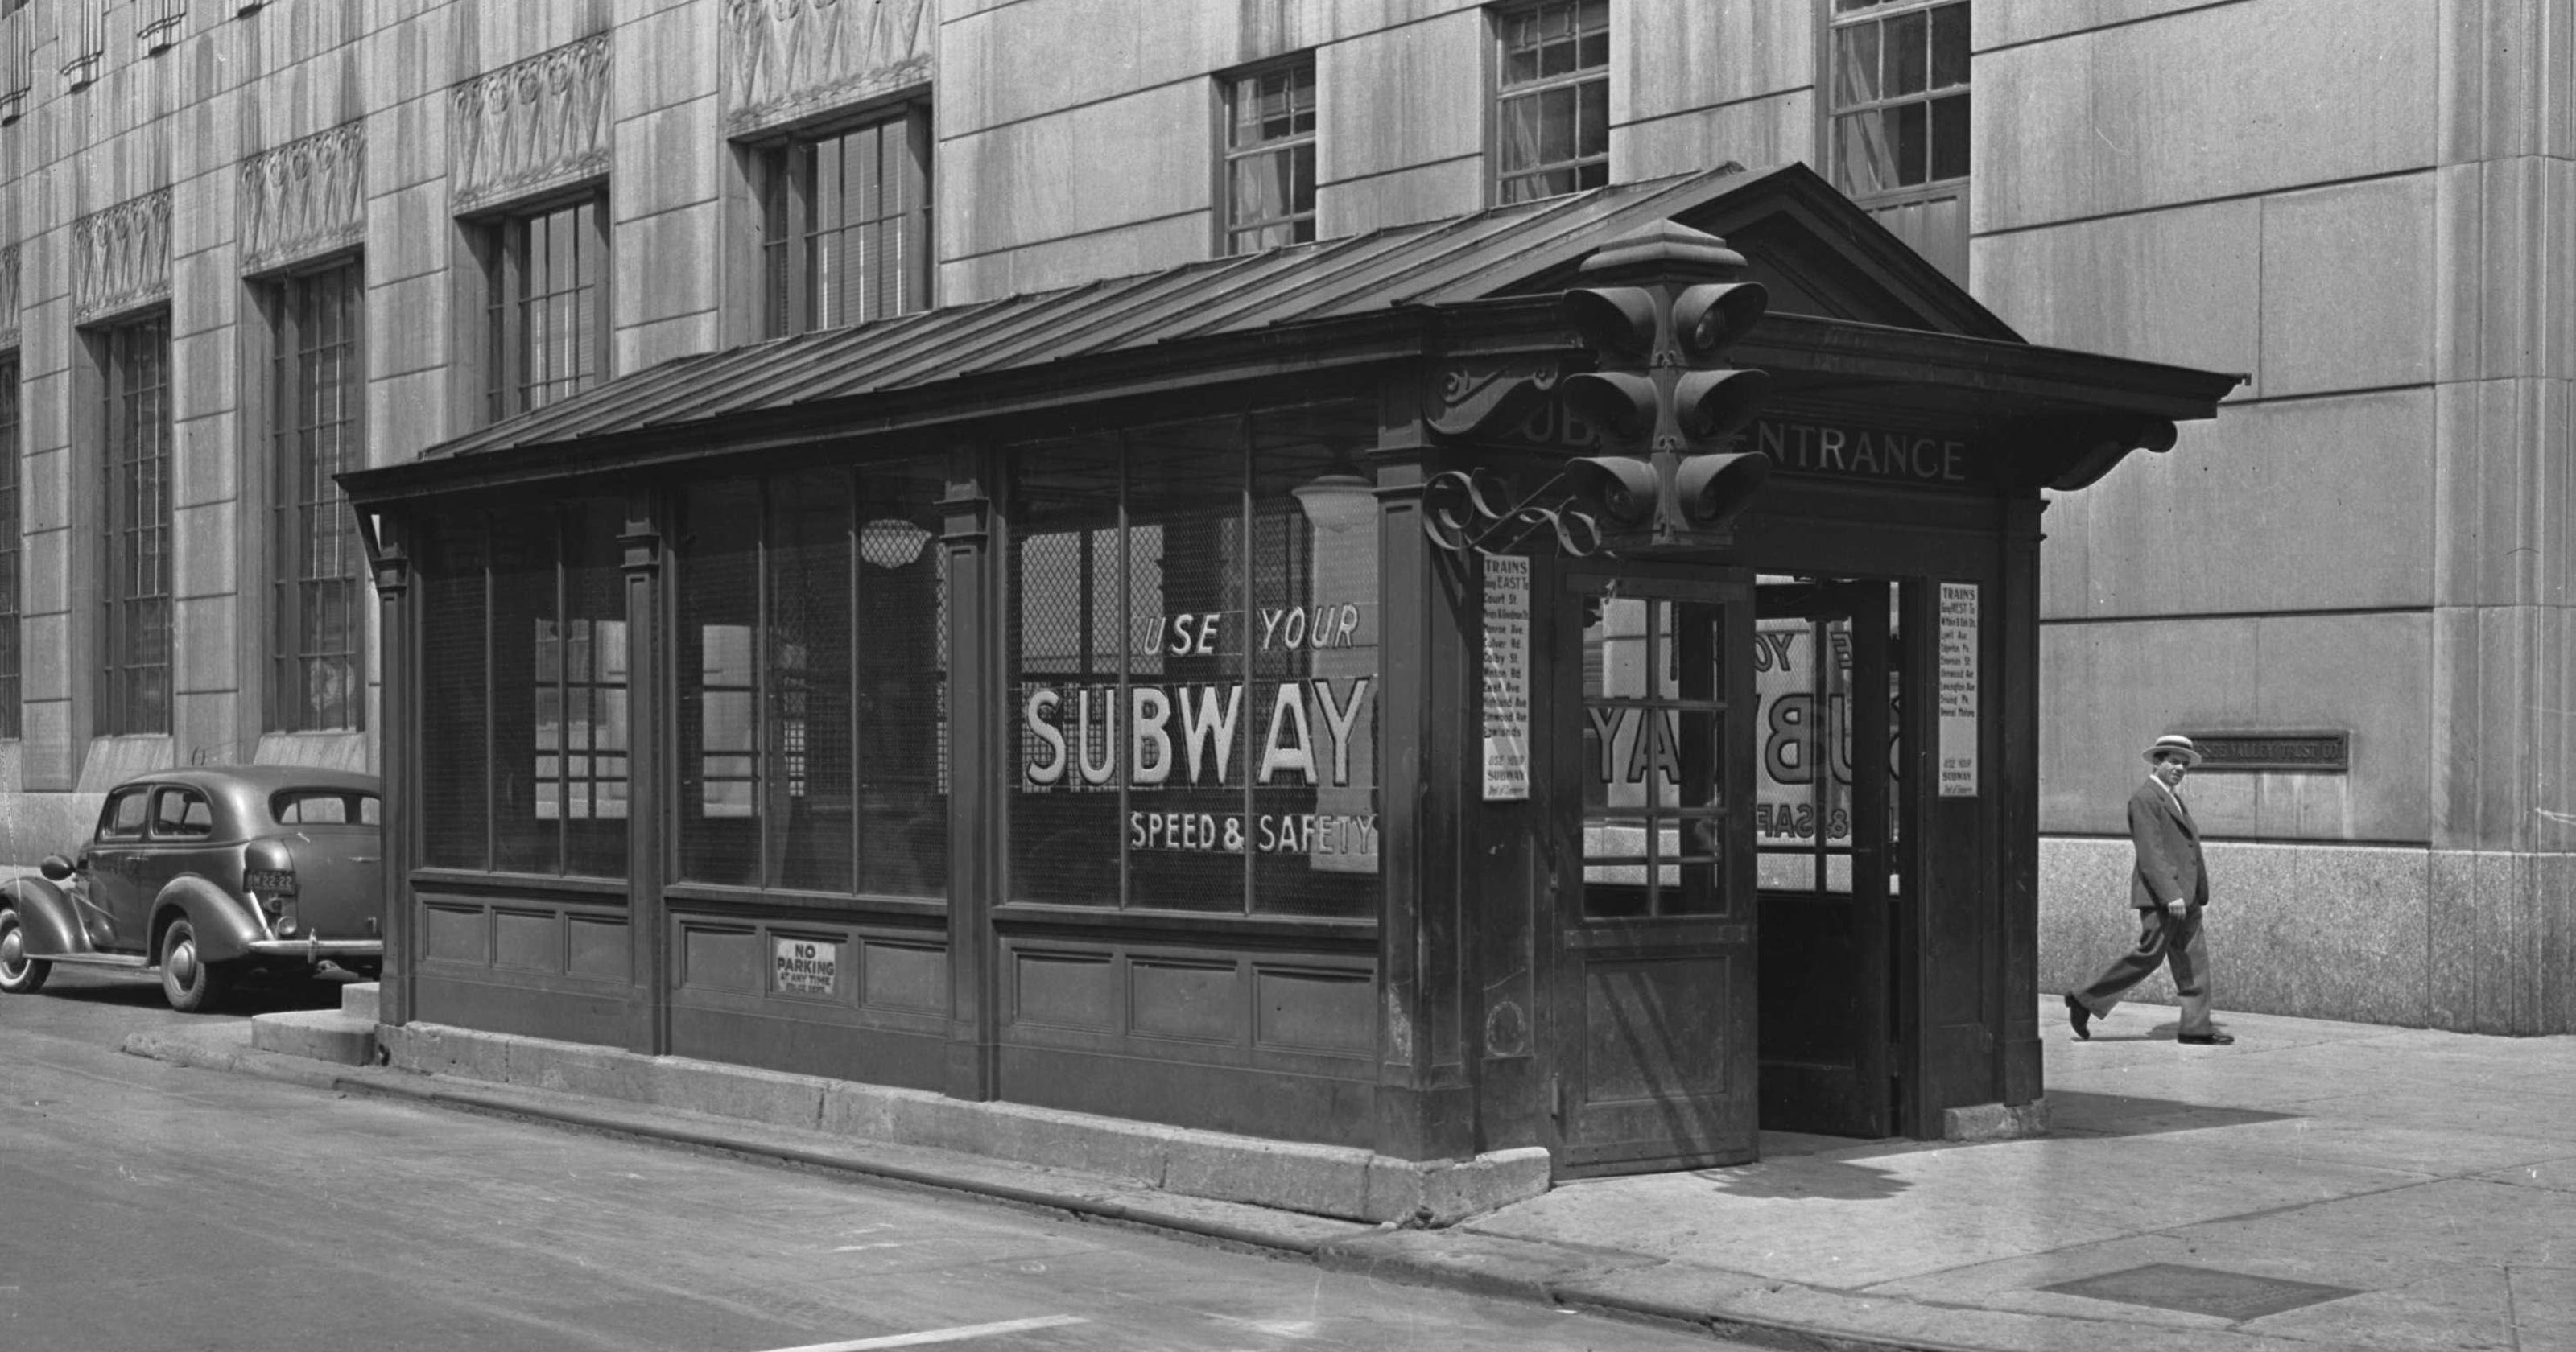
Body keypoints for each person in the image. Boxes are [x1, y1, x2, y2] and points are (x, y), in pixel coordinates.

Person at [2064, 734, 2233, 1045]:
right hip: (2165, 897)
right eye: (2174, 761)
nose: (2180, 768)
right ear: (2157, 762)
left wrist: (2191, 892)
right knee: (2149, 955)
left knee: (2194, 961)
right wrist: (2171, 894)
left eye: (2185, 763)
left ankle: (2195, 1028)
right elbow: (2150, 852)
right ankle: (2085, 999)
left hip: (2187, 895)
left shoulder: (2170, 798)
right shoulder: (2145, 798)